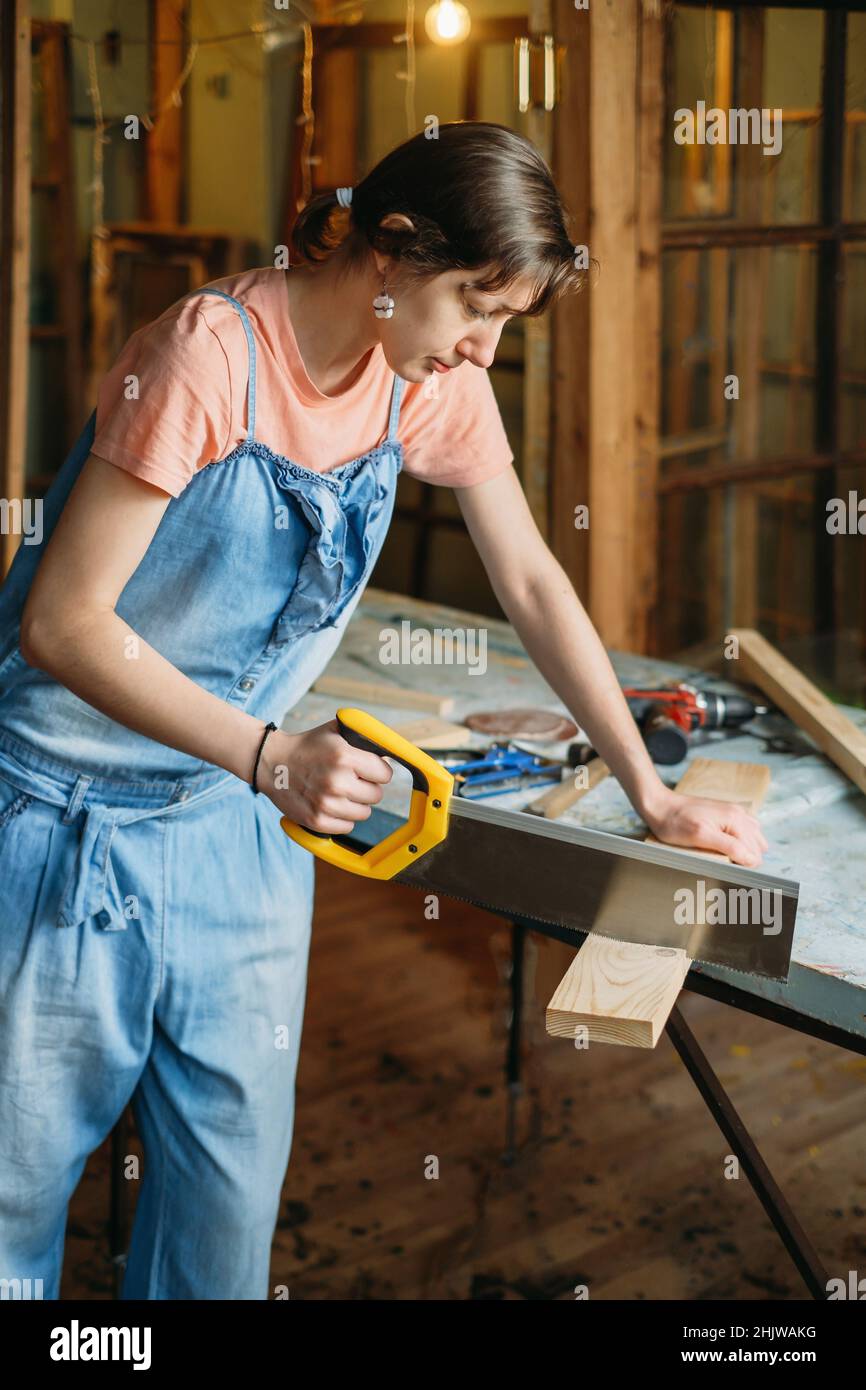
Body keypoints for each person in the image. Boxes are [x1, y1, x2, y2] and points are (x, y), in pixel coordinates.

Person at [0, 121, 767, 1301]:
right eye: (474, 304)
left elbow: (528, 581)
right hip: (62, 829)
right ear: (392, 251)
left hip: (235, 832)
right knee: (15, 1196)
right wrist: (270, 754)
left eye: (505, 322)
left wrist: (648, 789)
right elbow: (64, 622)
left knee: (223, 1211)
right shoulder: (209, 354)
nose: (481, 349)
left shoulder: (424, 382)